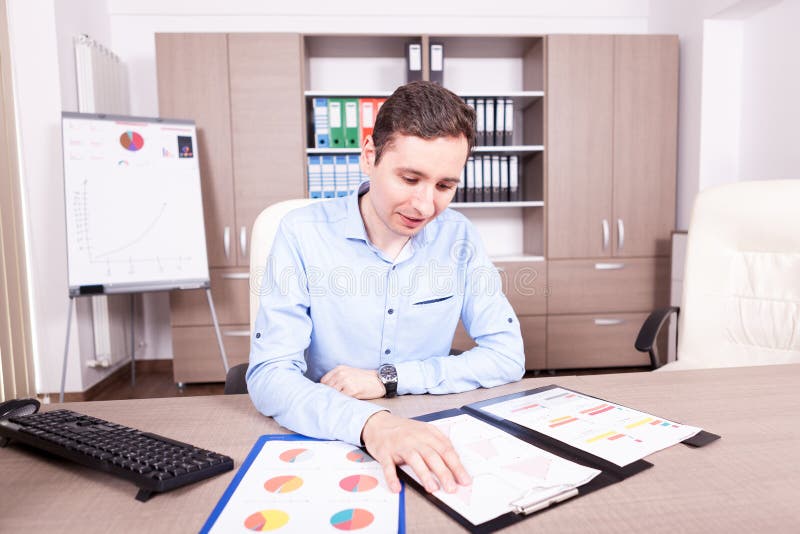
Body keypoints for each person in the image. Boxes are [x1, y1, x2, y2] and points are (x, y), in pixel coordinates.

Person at [247, 81, 524, 495]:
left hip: (429, 425)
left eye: (444, 186)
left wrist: (389, 379)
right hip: (330, 428)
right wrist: (371, 424)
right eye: (410, 178)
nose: (425, 206)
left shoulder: (459, 237)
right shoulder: (301, 233)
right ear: (369, 155)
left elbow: (507, 355)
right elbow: (270, 374)